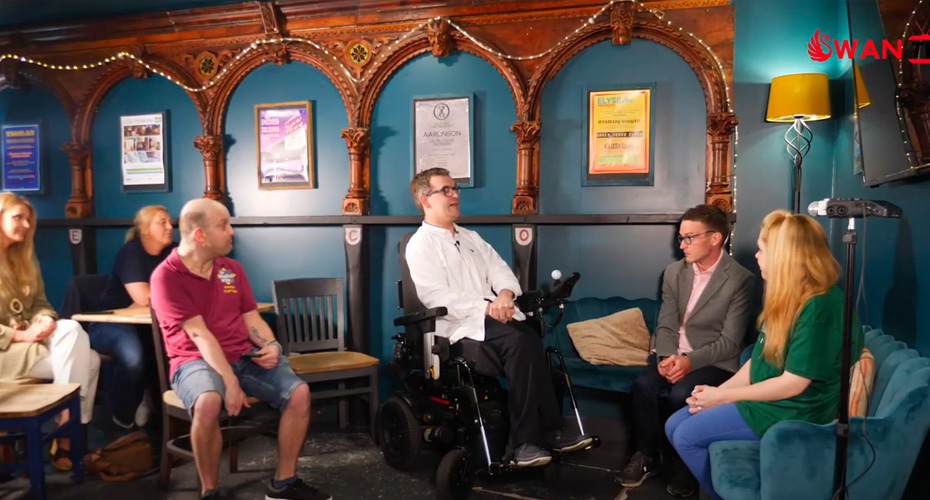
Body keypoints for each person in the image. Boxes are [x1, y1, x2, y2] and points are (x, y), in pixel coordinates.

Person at [665, 210, 861, 500]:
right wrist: (717, 391)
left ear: (785, 256)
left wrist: (722, 398)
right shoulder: (788, 296)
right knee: (673, 424)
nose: (756, 255)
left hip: (795, 408)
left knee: (685, 436)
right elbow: (758, 359)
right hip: (770, 398)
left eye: (762, 249)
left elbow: (793, 384)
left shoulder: (819, 305)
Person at [405, 167, 592, 468]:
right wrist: (487, 306)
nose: (455, 195)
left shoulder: (471, 238)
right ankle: (529, 442)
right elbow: (436, 297)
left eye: (455, 189)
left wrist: (505, 294)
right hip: (456, 330)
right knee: (521, 341)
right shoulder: (420, 245)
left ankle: (546, 435)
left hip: (494, 322)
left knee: (530, 334)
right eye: (447, 190)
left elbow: (501, 271)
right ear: (426, 200)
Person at [149, 198, 331, 500]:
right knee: (208, 402)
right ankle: (210, 491)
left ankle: (283, 484)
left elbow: (251, 318)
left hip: (242, 357)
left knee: (299, 394)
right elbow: (201, 335)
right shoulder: (166, 276)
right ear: (200, 235)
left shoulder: (230, 269)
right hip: (193, 360)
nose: (232, 231)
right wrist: (229, 383)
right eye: (224, 225)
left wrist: (272, 345)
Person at [618, 204, 755, 497]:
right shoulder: (674, 272)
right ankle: (647, 456)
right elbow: (666, 321)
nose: (681, 245)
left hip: (714, 359)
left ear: (715, 238)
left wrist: (688, 362)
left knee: (683, 395)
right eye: (681, 237)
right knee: (643, 385)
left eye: (689, 237)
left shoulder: (740, 280)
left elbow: (730, 342)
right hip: (672, 352)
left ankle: (684, 466)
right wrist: (667, 357)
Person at [0, 192, 100, 470]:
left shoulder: (25, 260)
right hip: (5, 353)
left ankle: (66, 435)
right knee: (82, 351)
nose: (26, 224)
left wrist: (45, 320)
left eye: (28, 219)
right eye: (17, 217)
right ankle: (67, 437)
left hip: (28, 346)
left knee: (84, 351)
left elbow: (42, 304)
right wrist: (19, 335)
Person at [89, 205, 176, 429]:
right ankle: (122, 418)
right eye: (162, 222)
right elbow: (144, 297)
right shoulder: (131, 252)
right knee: (133, 357)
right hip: (109, 323)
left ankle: (166, 409)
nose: (170, 227)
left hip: (145, 324)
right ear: (145, 229)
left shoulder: (172, 252)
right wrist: (146, 298)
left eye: (170, 222)